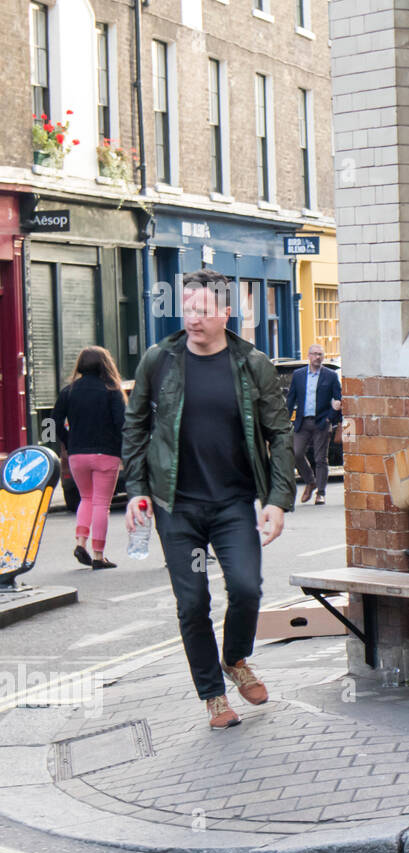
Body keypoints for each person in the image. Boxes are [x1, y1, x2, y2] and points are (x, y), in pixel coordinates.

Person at [121, 269, 296, 730]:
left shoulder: (252, 364)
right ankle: (214, 695)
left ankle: (235, 657)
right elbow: (135, 427)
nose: (193, 319)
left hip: (233, 503)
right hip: (176, 507)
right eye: (188, 309)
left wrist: (277, 499)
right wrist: (137, 491)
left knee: (245, 586)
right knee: (192, 601)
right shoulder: (159, 360)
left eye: (203, 311)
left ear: (226, 312)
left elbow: (280, 432)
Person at [52, 346, 126, 569]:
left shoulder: (69, 391)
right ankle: (98, 555)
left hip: (77, 455)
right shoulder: (111, 391)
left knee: (86, 498)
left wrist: (69, 440)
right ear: (106, 364)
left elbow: (53, 421)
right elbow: (122, 424)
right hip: (106, 454)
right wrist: (124, 453)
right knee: (102, 504)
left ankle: (80, 542)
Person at [285, 343, 342, 505]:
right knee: (296, 453)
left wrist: (330, 418)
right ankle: (311, 481)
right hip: (302, 422)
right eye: (315, 354)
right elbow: (291, 399)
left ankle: (321, 493)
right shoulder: (298, 375)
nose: (318, 357)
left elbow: (338, 398)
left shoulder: (330, 376)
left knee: (320, 458)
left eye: (320, 354)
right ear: (308, 356)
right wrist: (285, 420)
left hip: (322, 422)